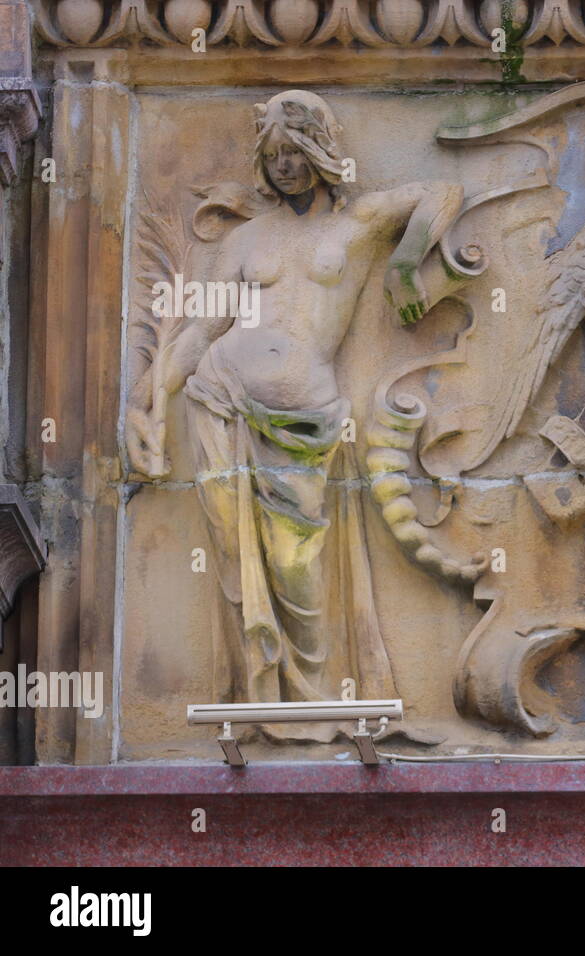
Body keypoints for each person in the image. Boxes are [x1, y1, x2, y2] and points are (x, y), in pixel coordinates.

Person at [125, 90, 463, 710]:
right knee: (235, 558)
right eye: (273, 154)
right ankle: (262, 693)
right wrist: (145, 405)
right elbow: (202, 332)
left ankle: (313, 702)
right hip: (219, 403)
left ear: (320, 149)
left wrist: (407, 268)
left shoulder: (357, 223)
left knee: (295, 564)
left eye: (294, 151)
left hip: (305, 417)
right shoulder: (246, 241)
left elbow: (441, 195)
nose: (283, 165)